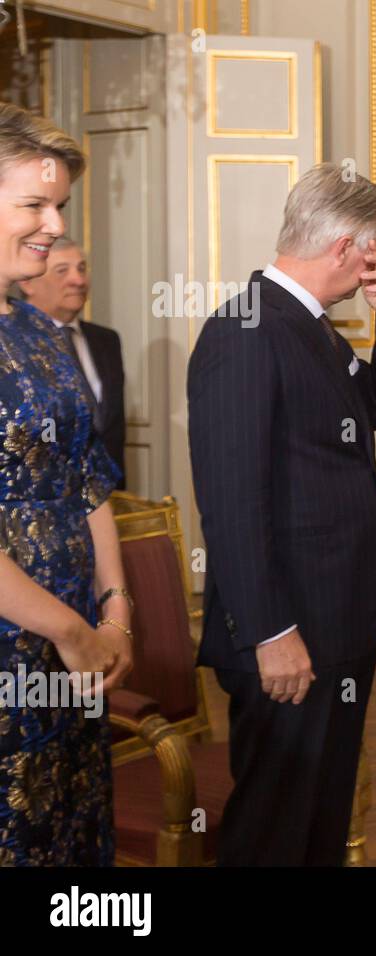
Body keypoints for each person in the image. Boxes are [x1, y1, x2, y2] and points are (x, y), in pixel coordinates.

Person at [187, 163, 376, 865]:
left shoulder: (310, 326)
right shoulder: (247, 329)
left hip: (338, 621)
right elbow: (232, 502)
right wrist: (270, 632)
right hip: (289, 634)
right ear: (348, 247)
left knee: (320, 815)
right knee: (274, 830)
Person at [0, 103, 133, 866]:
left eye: (61, 207)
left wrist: (115, 609)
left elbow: (87, 482)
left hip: (73, 659)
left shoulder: (37, 332)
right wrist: (74, 632)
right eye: (34, 205)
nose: (54, 226)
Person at [19, 238, 127, 489]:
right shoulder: (12, 343)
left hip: (108, 499)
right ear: (27, 282)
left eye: (81, 268)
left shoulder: (107, 340)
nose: (78, 280)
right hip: (41, 503)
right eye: (62, 270)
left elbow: (110, 430)